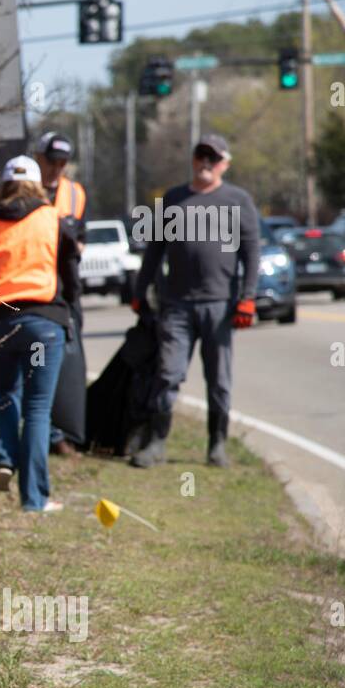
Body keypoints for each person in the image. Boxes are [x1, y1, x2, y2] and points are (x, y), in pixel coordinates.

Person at [128, 134, 260, 469]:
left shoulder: (238, 200)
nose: (205, 162)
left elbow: (252, 253)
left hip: (220, 304)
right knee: (168, 373)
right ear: (192, 159)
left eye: (212, 158)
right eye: (201, 155)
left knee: (218, 380)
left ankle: (217, 446)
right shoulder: (174, 199)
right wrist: (140, 291)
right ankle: (156, 443)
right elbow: (154, 251)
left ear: (224, 164)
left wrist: (247, 298)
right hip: (177, 305)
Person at [0, 156, 81, 512]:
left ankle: (2, 459)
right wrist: (72, 307)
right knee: (36, 409)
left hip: (1, 324)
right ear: (37, 184)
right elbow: (70, 268)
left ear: (3, 184)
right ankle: (34, 499)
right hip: (43, 322)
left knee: (5, 394)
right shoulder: (52, 218)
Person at [34, 131, 88, 458]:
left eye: (62, 163)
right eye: (51, 161)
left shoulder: (75, 193)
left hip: (66, 290)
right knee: (39, 362)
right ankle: (50, 435)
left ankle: (65, 430)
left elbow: (81, 237)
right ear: (38, 158)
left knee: (69, 360)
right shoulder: (21, 190)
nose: (56, 168)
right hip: (34, 290)